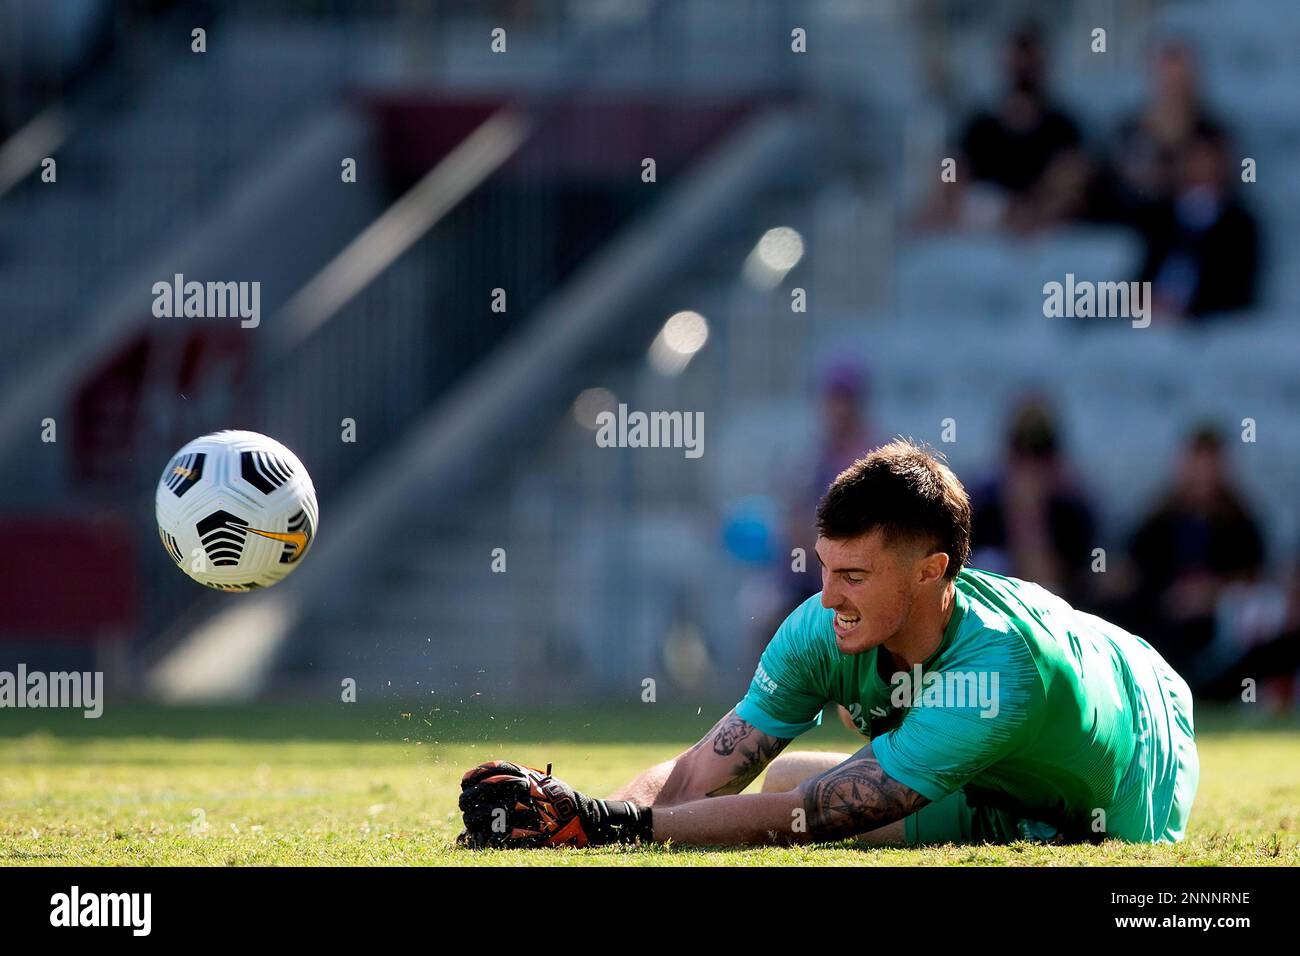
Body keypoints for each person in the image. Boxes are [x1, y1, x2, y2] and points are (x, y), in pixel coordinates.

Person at [457, 440, 1199, 848]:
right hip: (992, 761)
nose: (830, 595)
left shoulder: (1000, 670)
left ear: (931, 570)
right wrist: (580, 819)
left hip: (1135, 758)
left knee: (850, 812)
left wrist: (624, 825)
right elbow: (701, 779)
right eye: (824, 568)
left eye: (854, 575)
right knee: (790, 788)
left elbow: (814, 815)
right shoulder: (822, 624)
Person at [1124, 424, 1266, 687]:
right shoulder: (1160, 520)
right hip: (1165, 618)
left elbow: (1257, 578)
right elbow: (1135, 569)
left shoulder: (1241, 523)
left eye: (1210, 465)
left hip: (1220, 623)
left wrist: (1212, 593)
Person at [969, 396, 1096, 607]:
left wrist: (1028, 518)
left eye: (1038, 455)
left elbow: (1051, 587)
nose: (1029, 468)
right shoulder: (982, 505)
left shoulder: (1073, 510)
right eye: (1022, 455)